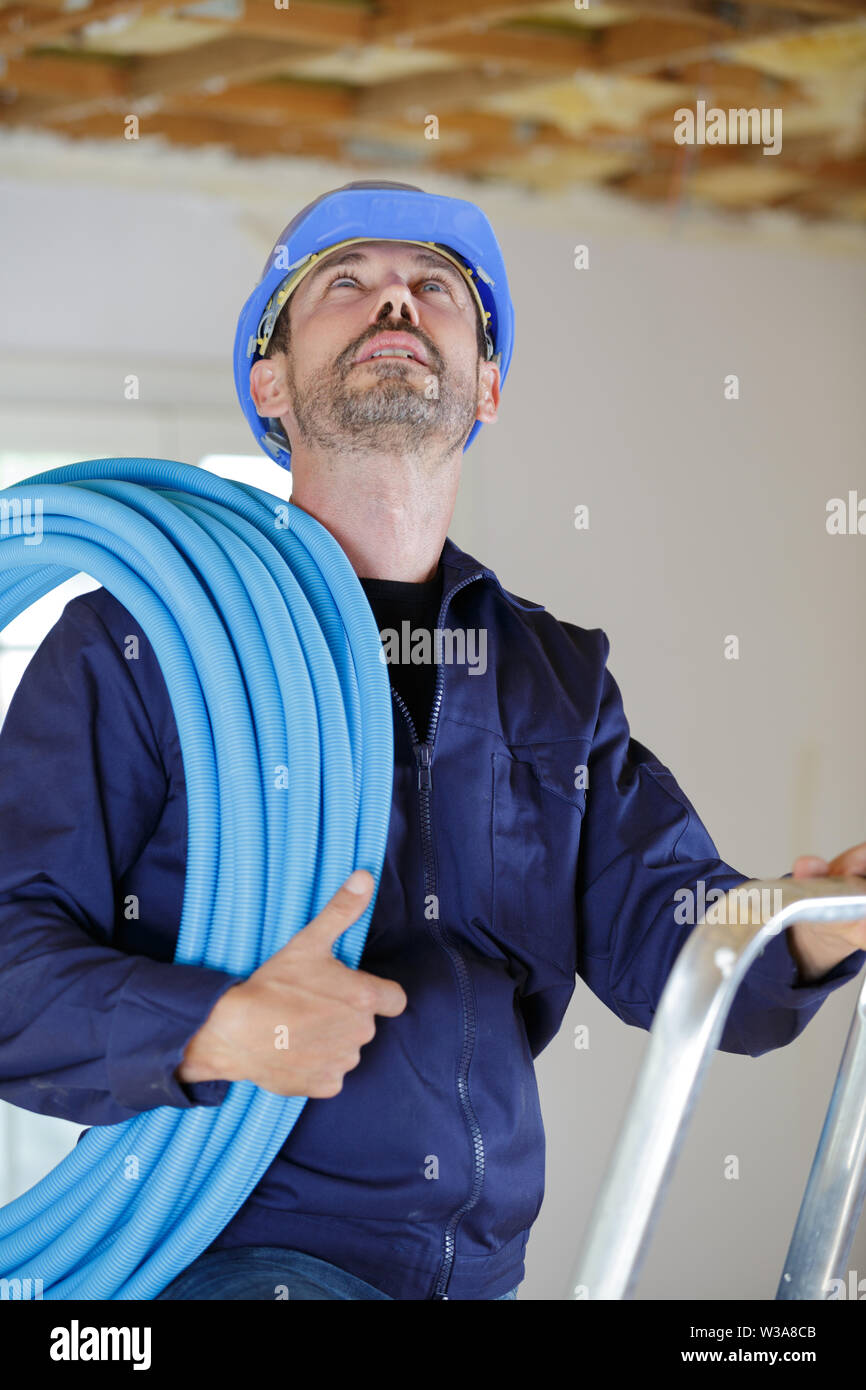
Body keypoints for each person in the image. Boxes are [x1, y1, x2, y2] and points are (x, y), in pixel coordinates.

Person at [0, 181, 864, 1303]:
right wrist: (222, 1029)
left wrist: (807, 928)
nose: (395, 306)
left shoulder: (551, 678)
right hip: (237, 1264)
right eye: (345, 285)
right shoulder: (139, 640)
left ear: (488, 385)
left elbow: (680, 945)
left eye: (436, 290)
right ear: (269, 383)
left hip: (480, 1275)